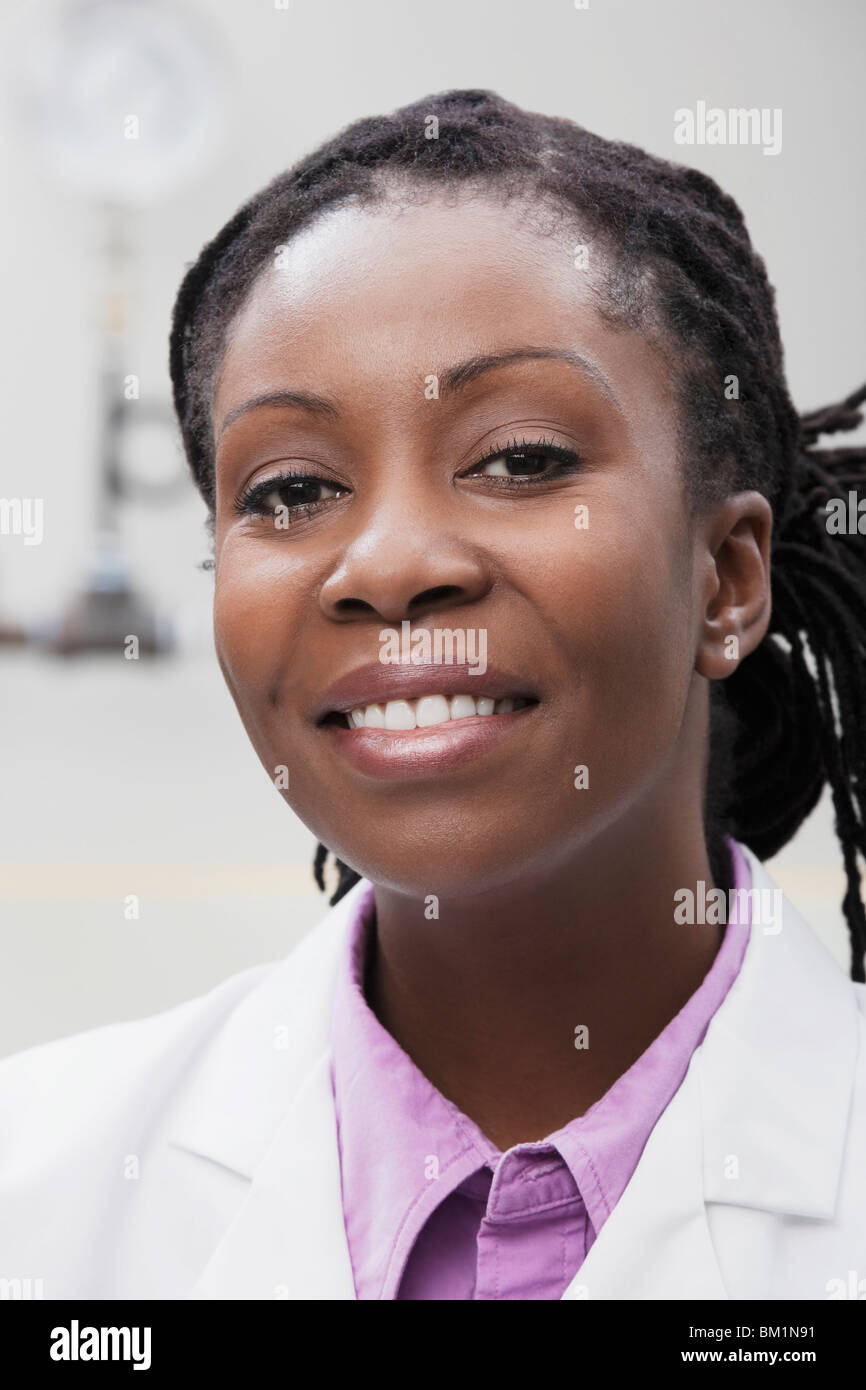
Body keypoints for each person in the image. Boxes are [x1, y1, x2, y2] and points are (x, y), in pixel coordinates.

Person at [2, 89, 865, 1301]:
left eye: (520, 460)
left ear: (725, 580)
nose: (390, 565)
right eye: (292, 490)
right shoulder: (37, 1193)